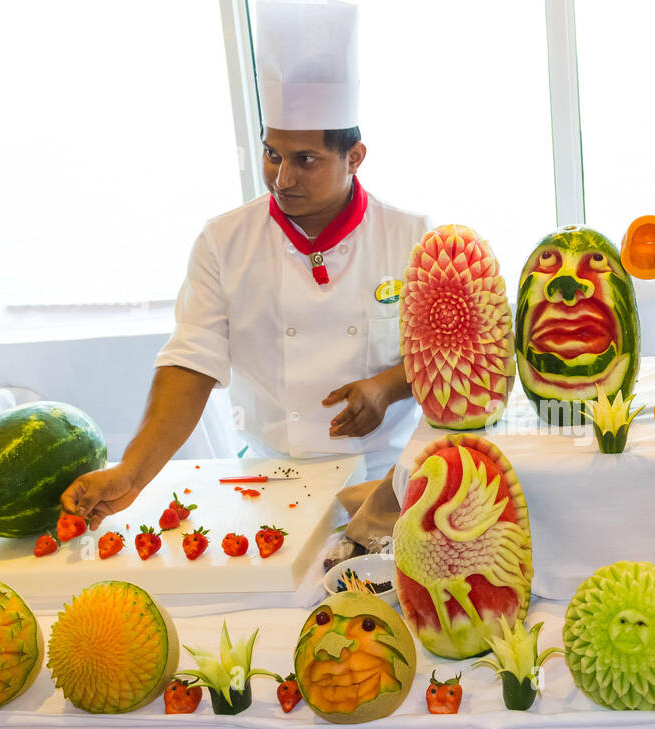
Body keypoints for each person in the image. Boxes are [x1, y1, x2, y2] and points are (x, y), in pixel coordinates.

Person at [60, 0, 426, 547]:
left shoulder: (414, 237)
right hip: (272, 480)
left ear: (354, 157)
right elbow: (190, 363)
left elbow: (450, 355)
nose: (282, 178)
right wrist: (131, 472)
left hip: (389, 480)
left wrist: (387, 387)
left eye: (305, 159)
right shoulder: (224, 241)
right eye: (271, 154)